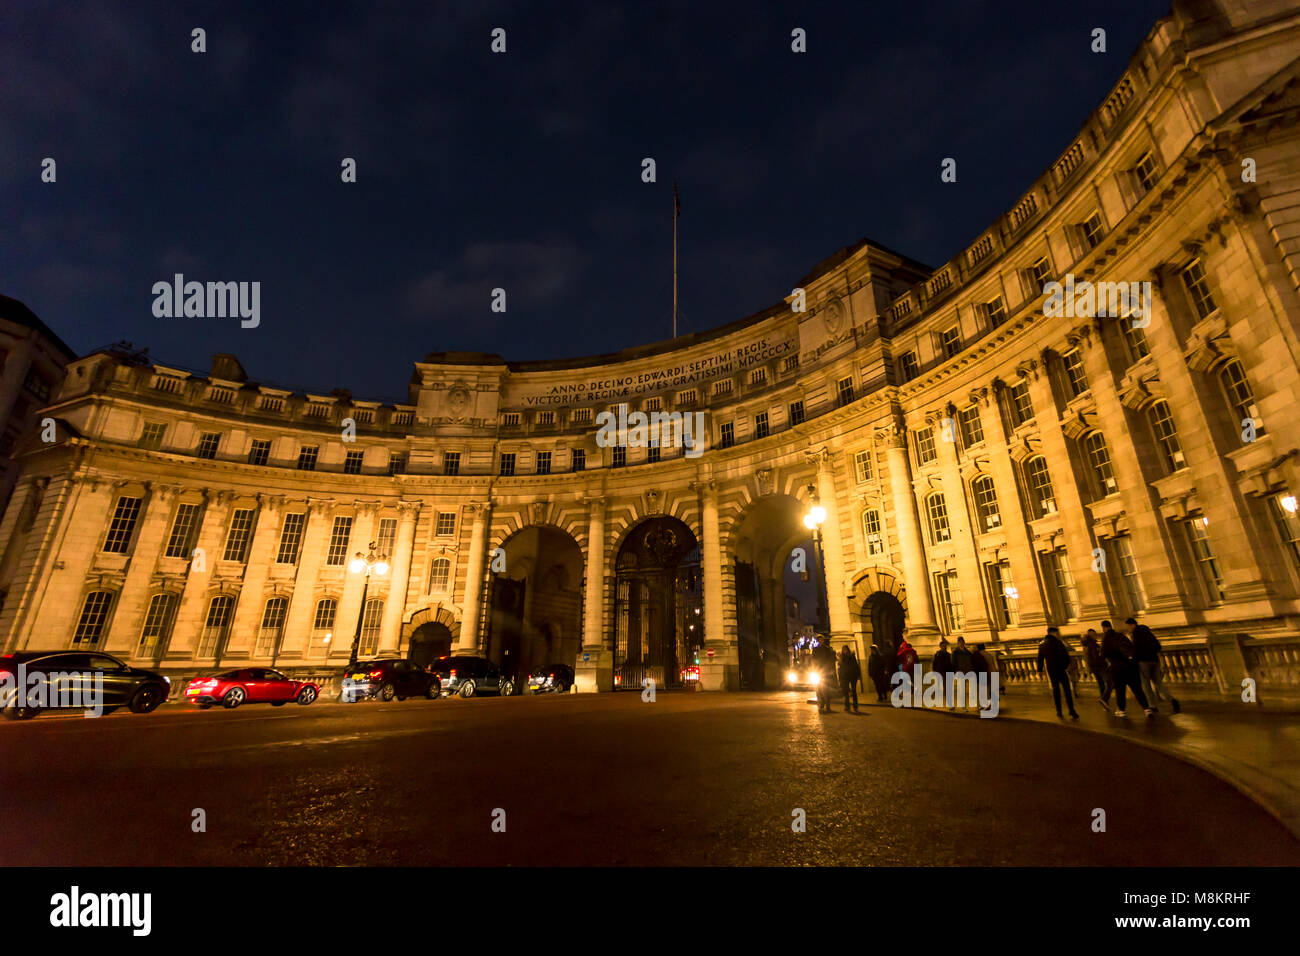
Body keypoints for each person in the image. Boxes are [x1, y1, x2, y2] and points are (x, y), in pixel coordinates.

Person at [1100, 619, 1153, 717]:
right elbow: (1131, 649)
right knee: (1137, 689)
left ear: (1104, 628)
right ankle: (1147, 709)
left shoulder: (1106, 639)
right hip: (1130, 666)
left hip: (1117, 668)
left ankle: (1121, 710)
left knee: (1120, 690)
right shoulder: (1121, 636)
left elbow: (1103, 654)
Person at [1127, 617, 1180, 714]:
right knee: (1159, 683)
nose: (1128, 629)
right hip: (1154, 660)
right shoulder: (1148, 633)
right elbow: (1158, 646)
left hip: (1143, 662)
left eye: (1128, 626)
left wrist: (1135, 661)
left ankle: (1152, 705)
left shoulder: (1136, 635)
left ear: (1132, 625)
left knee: (1147, 686)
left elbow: (1135, 650)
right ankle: (1172, 700)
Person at [1036, 626, 1079, 719]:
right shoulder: (1058, 643)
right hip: (1061, 669)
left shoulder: (1042, 644)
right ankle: (1071, 710)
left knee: (1056, 691)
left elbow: (1040, 658)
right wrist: (1065, 666)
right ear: (1054, 633)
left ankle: (1059, 711)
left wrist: (1039, 670)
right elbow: (1065, 656)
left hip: (1051, 670)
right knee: (1067, 690)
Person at [1081, 628, 1112, 706]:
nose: (1095, 636)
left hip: (1095, 668)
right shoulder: (1092, 645)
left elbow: (1087, 659)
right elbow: (1092, 658)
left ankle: (1104, 701)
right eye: (1093, 635)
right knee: (1109, 683)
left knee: (1101, 684)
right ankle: (1104, 699)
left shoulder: (1088, 645)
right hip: (1100, 667)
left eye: (1095, 634)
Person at [813, 638, 838, 713]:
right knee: (819, 689)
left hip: (826, 671)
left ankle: (827, 705)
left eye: (822, 640)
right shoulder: (815, 649)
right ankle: (822, 703)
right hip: (818, 670)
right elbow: (814, 659)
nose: (821, 641)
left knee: (826, 689)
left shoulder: (827, 649)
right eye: (820, 640)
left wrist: (830, 669)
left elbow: (830, 660)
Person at [838, 645, 861, 713]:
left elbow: (855, 665)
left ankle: (855, 706)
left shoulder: (851, 656)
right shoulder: (842, 657)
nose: (844, 651)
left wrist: (858, 674)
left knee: (854, 691)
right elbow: (840, 666)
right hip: (845, 677)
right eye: (843, 650)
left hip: (852, 676)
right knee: (846, 692)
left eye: (845, 649)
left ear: (848, 650)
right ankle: (847, 706)